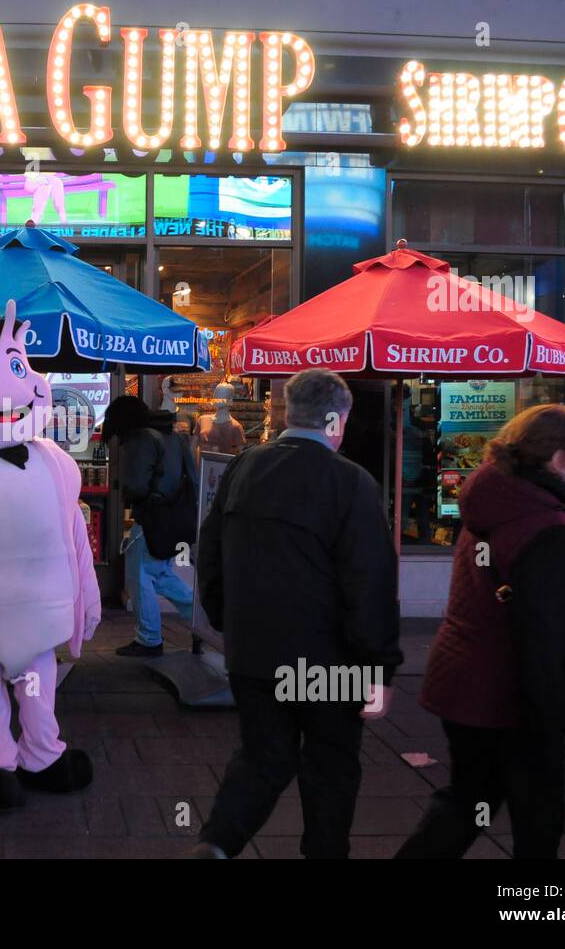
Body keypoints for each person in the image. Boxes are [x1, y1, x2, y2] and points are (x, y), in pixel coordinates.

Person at [194, 368, 401, 859]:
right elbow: (370, 583)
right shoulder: (351, 483)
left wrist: (227, 621)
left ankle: (217, 844)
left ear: (286, 413)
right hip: (329, 660)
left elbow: (210, 552)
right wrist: (379, 667)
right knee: (330, 767)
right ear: (338, 420)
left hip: (254, 652)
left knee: (262, 757)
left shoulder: (244, 467)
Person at [396, 405, 565, 860]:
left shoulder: (494, 500)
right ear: (557, 459)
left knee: (468, 802)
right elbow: (540, 636)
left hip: (465, 677)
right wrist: (548, 717)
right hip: (512, 694)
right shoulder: (543, 525)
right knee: (537, 817)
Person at [103, 395, 194, 658]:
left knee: (139, 577)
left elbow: (136, 485)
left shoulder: (141, 440)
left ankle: (149, 638)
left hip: (151, 518)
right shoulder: (173, 436)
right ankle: (204, 619)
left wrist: (131, 496)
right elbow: (193, 474)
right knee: (161, 574)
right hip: (174, 516)